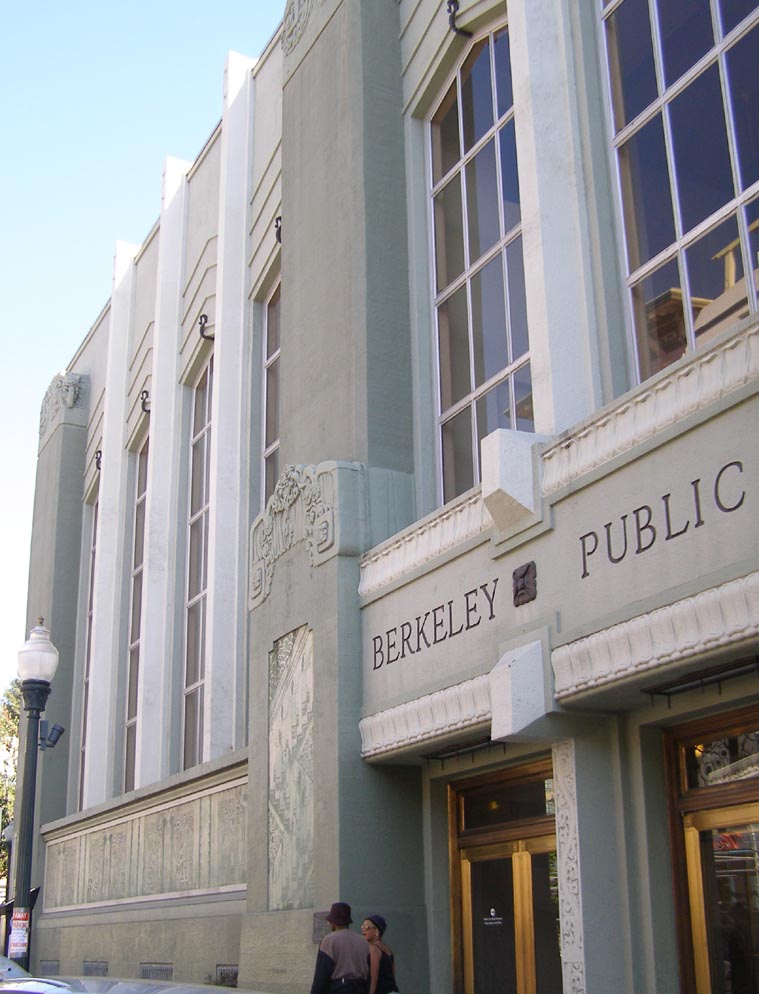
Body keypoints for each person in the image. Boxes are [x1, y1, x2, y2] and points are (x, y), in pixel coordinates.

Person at [310, 902, 369, 994]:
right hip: (360, 988)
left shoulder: (329, 941)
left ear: (333, 923)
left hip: (339, 988)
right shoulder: (363, 941)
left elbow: (321, 976)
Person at [361, 915, 398, 994]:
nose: (363, 929)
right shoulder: (388, 949)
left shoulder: (374, 948)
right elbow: (393, 974)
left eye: (367, 927)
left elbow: (374, 978)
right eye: (362, 926)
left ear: (377, 931)